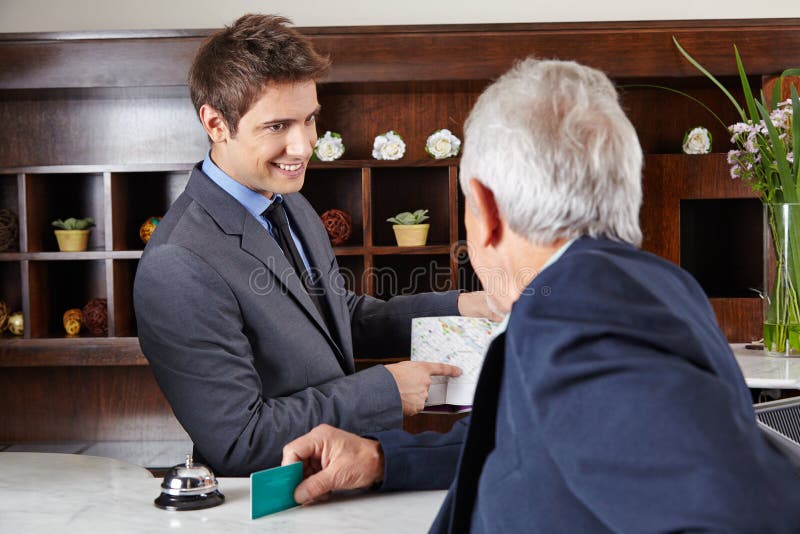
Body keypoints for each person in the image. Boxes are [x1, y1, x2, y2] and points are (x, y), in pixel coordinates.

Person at [281, 58, 800, 532]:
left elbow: (747, 510)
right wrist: (380, 456)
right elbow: (540, 437)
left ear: (486, 210)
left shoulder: (575, 321)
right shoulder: (644, 285)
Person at [133, 14, 495, 477]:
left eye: (309, 120)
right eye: (277, 126)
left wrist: (465, 306)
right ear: (216, 122)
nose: (303, 146)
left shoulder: (292, 204)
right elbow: (240, 441)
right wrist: (385, 390)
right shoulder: (177, 262)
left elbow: (338, 318)